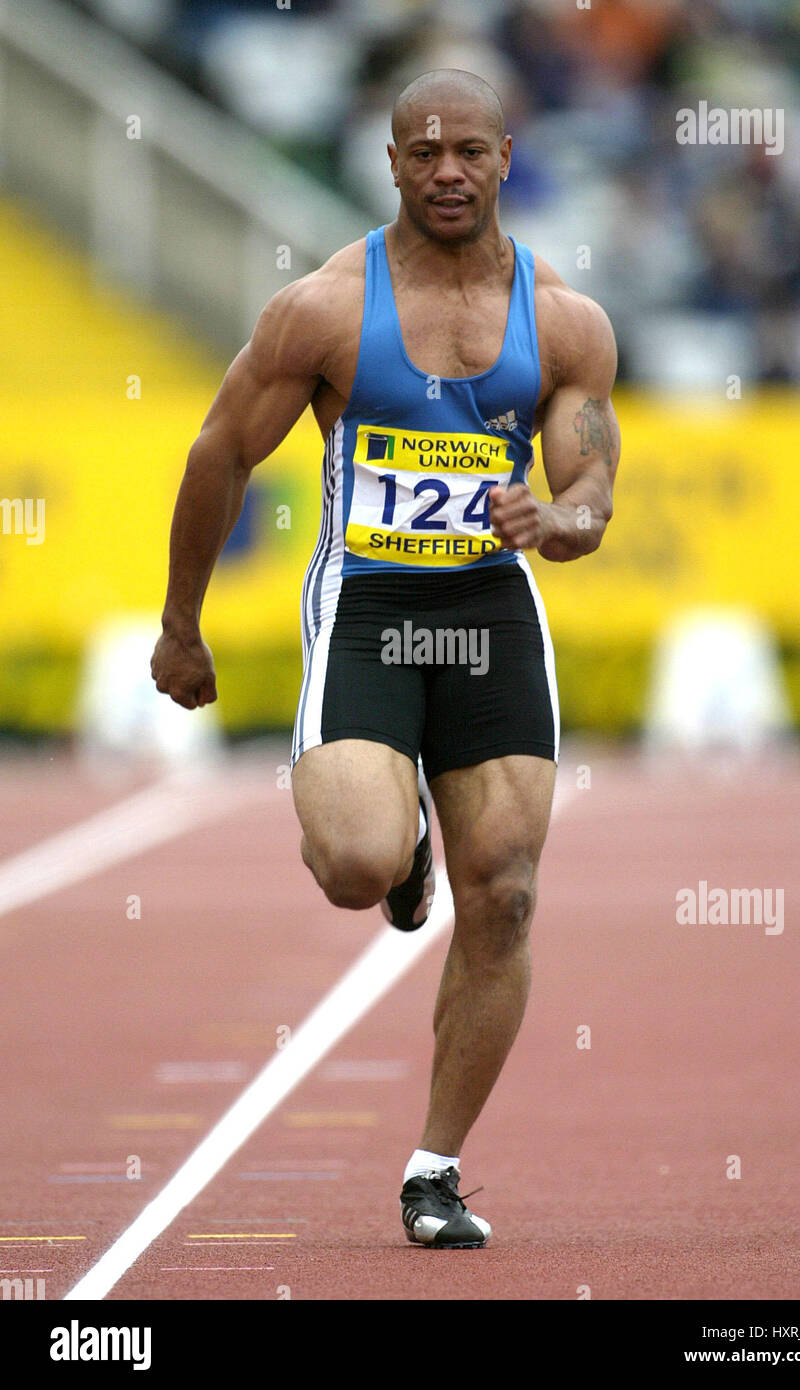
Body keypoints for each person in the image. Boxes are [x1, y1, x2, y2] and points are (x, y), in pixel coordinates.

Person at [151, 68, 620, 1249]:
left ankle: (433, 1168)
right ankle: (397, 847)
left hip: (489, 613)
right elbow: (219, 456)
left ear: (506, 156)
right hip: (366, 603)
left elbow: (589, 482)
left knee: (505, 894)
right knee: (359, 864)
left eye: (468, 150)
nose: (447, 171)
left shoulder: (563, 322)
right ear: (391, 164)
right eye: (423, 153)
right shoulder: (321, 309)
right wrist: (180, 622)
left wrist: (562, 522)